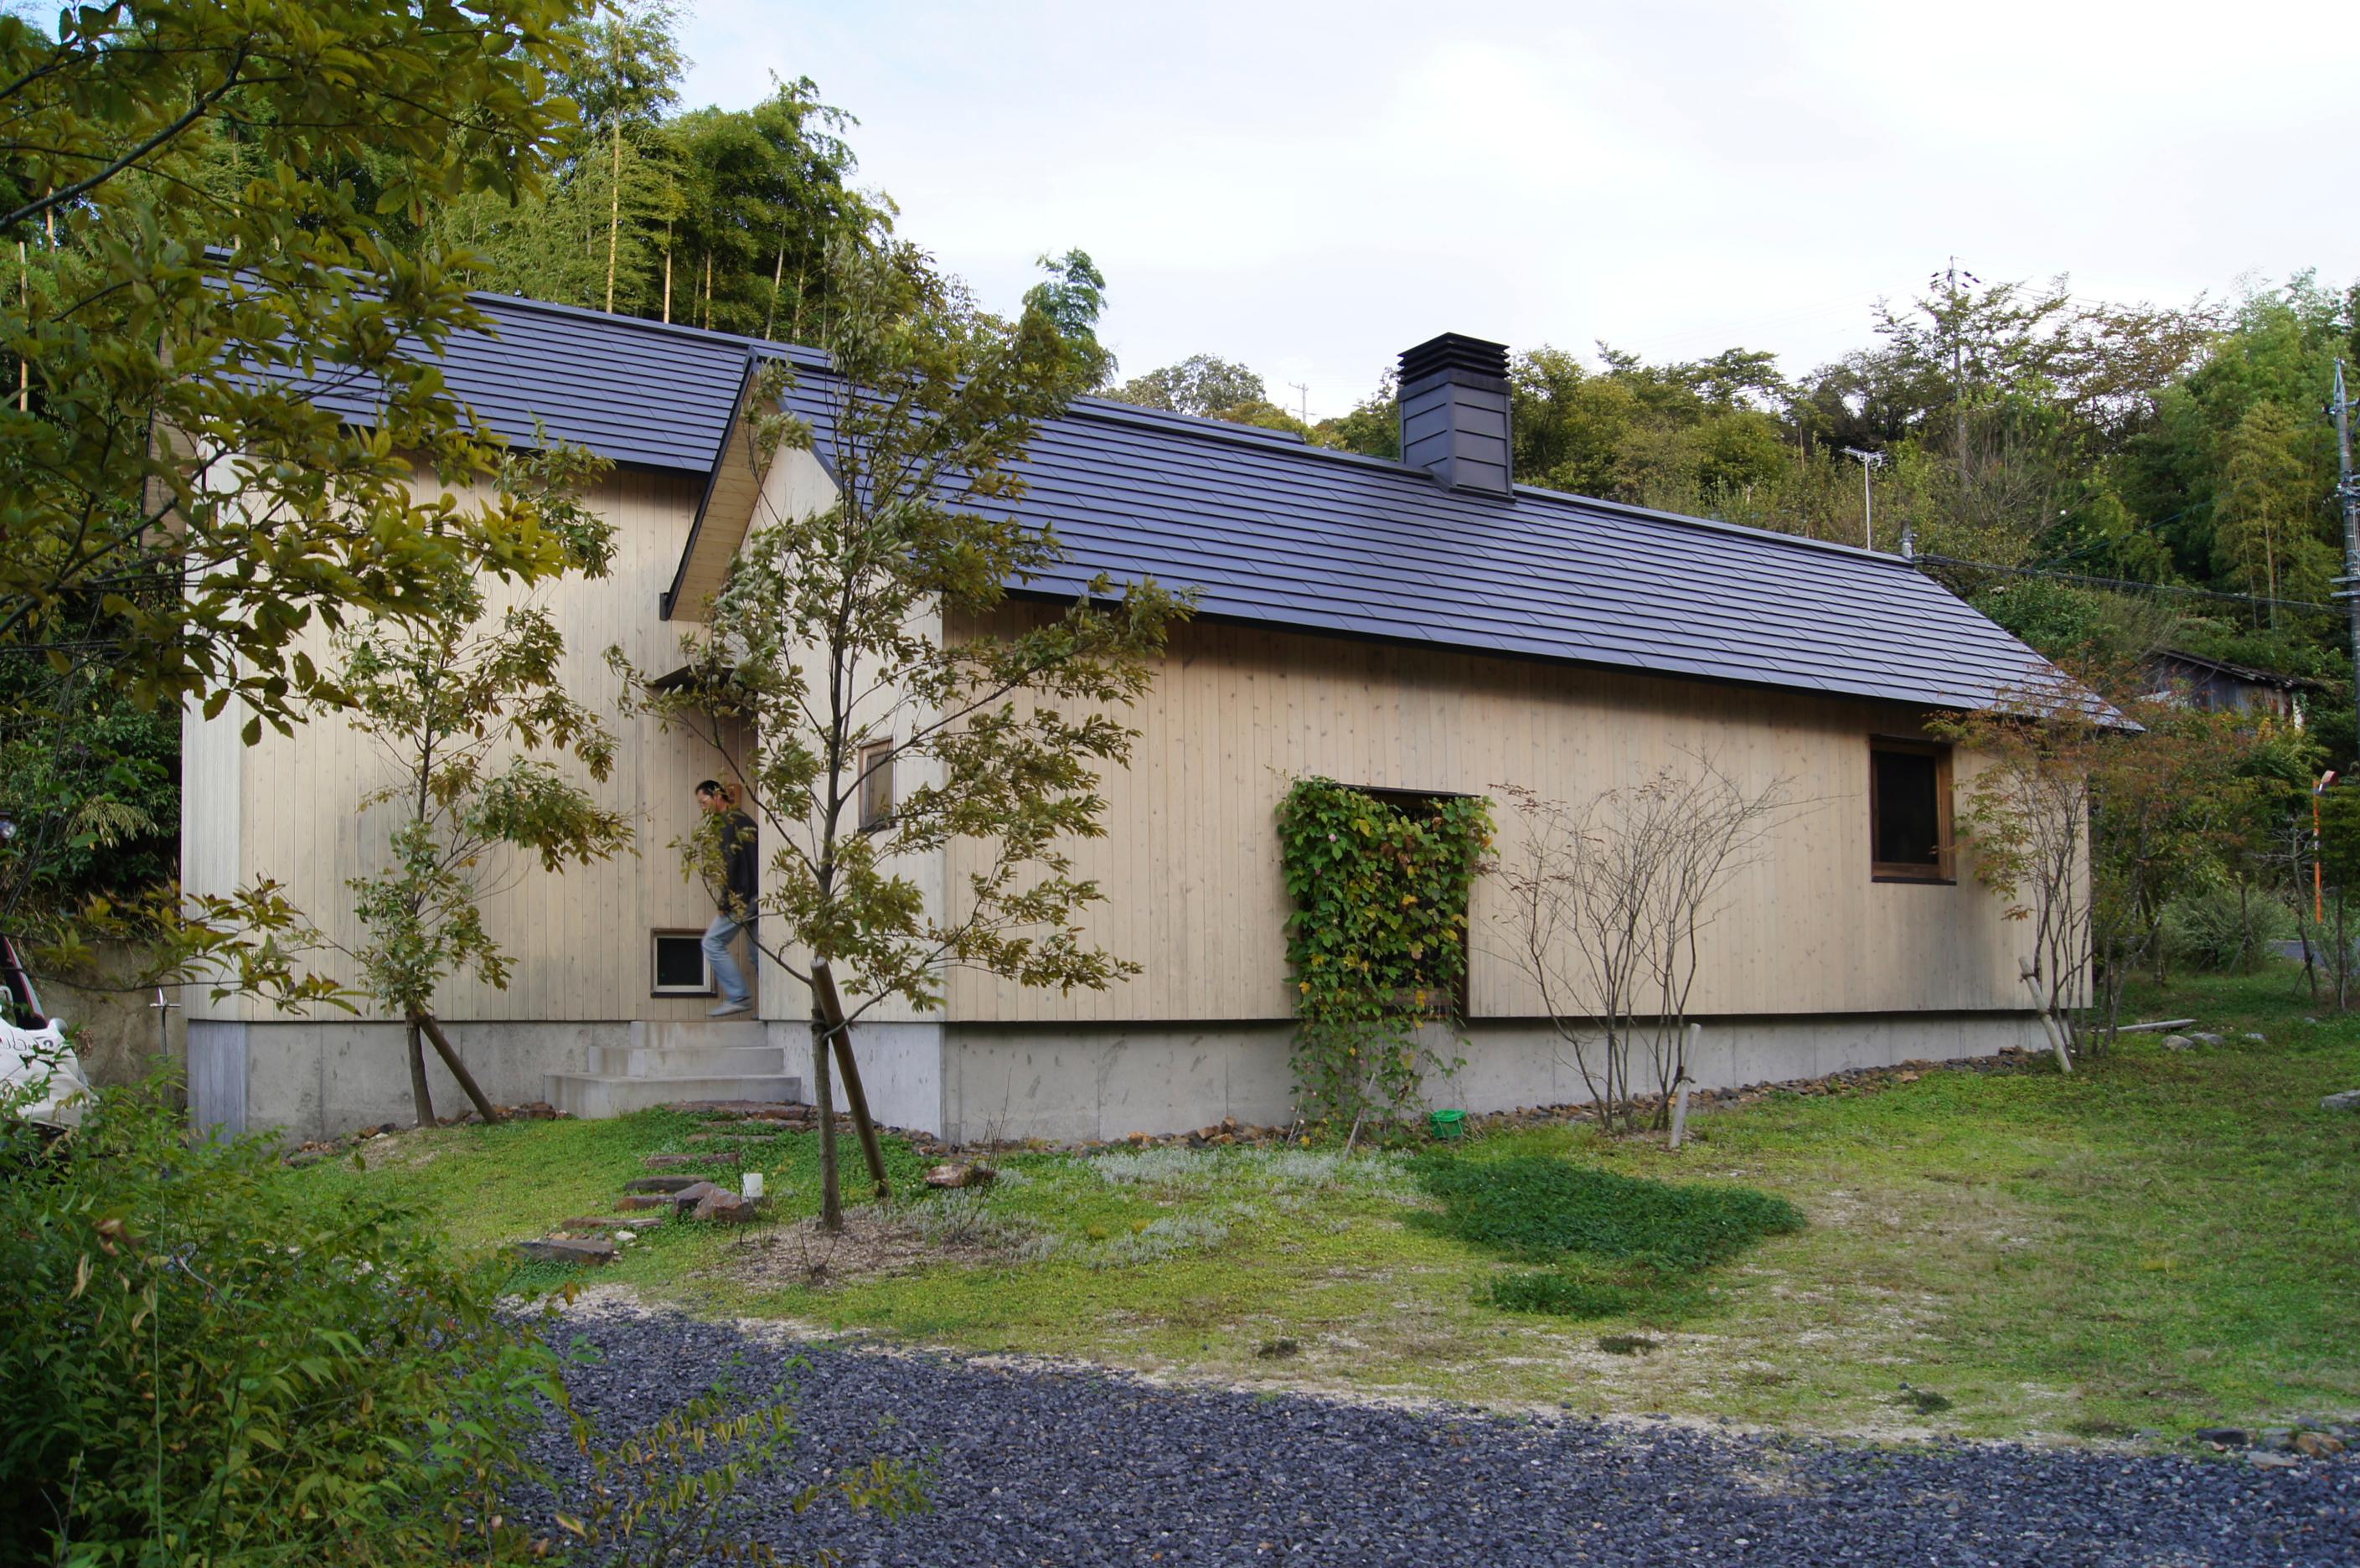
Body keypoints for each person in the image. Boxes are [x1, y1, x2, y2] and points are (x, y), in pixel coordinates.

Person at [695, 781, 758, 1017]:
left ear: (718, 796)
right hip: (756, 894)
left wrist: (726, 901)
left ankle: (739, 996)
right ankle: (772, 1007)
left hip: (743, 896)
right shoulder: (741, 819)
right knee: (758, 954)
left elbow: (731, 863)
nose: (702, 808)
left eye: (704, 802)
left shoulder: (730, 822)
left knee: (712, 943)